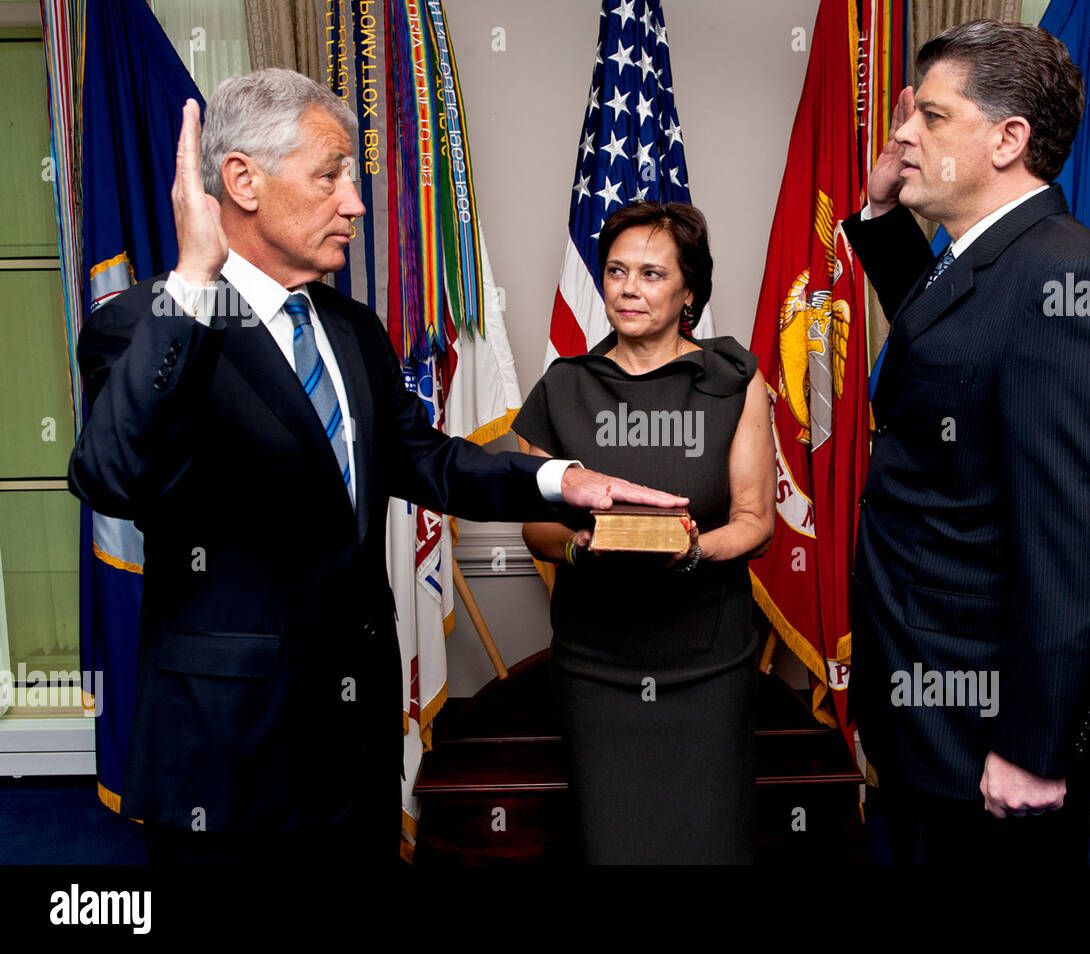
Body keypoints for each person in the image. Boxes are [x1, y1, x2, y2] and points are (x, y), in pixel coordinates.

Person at [67, 69, 688, 865]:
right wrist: (191, 283)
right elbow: (114, 474)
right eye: (330, 175)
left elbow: (422, 458)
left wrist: (556, 481)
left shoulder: (353, 327)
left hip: (357, 742)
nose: (355, 203)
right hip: (225, 760)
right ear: (242, 181)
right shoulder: (144, 325)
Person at [842, 21, 1090, 864]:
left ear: (1008, 139)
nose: (903, 132)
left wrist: (1033, 745)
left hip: (991, 736)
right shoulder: (991, 258)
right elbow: (954, 345)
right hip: (929, 712)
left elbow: (1086, 536)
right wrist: (880, 212)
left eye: (932, 118)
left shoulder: (1067, 276)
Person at [513, 201, 775, 864]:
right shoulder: (562, 387)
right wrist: (580, 544)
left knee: (710, 843)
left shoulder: (736, 383)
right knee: (614, 844)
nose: (630, 288)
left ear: (690, 291)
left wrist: (693, 550)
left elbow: (755, 522)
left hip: (708, 667)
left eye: (653, 274)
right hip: (597, 668)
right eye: (617, 271)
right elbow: (537, 529)